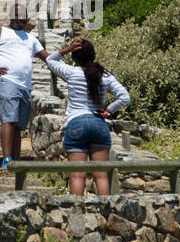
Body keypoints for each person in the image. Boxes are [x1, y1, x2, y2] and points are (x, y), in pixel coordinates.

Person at [45, 39, 130, 196]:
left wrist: (66, 49)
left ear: (75, 57)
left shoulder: (70, 72)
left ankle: (76, 214)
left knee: (77, 175)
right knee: (101, 175)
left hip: (76, 123)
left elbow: (50, 59)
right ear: (93, 55)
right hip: (98, 124)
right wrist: (108, 110)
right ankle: (106, 213)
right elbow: (125, 96)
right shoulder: (105, 75)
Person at [0, 5, 48, 168]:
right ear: (11, 16)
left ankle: (15, 160)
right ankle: (7, 159)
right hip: (6, 81)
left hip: (25, 86)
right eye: (17, 16)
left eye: (23, 17)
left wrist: (68, 50)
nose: (20, 20)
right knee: (9, 119)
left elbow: (47, 57)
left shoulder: (30, 38)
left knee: (19, 124)